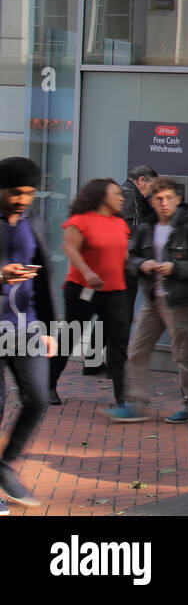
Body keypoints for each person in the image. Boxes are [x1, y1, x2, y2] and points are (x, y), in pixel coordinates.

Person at [109, 179, 188, 423]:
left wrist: (174, 268)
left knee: (182, 355)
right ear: (151, 201)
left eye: (168, 198)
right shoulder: (146, 228)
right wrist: (142, 265)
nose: (164, 204)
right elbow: (130, 258)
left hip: (180, 302)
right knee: (137, 350)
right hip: (153, 299)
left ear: (177, 200)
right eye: (158, 199)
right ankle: (135, 403)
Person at [0, 157, 55, 507]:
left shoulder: (34, 223)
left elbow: (45, 277)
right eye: (15, 192)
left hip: (26, 326)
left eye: (29, 193)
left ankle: (4, 466)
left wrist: (49, 328)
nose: (22, 199)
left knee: (38, 398)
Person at [51, 179, 131, 407]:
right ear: (101, 196)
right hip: (83, 290)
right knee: (69, 337)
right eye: (116, 194)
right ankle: (49, 384)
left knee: (118, 343)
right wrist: (87, 272)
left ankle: (121, 397)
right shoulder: (80, 221)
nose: (121, 197)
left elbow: (122, 256)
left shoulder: (120, 224)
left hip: (115, 291)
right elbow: (69, 249)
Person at [118, 165, 158, 331]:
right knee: (123, 313)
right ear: (141, 180)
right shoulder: (129, 195)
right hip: (125, 263)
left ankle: (94, 355)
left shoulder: (126, 192)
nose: (151, 191)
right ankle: (102, 355)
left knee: (114, 314)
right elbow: (128, 230)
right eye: (151, 186)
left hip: (123, 262)